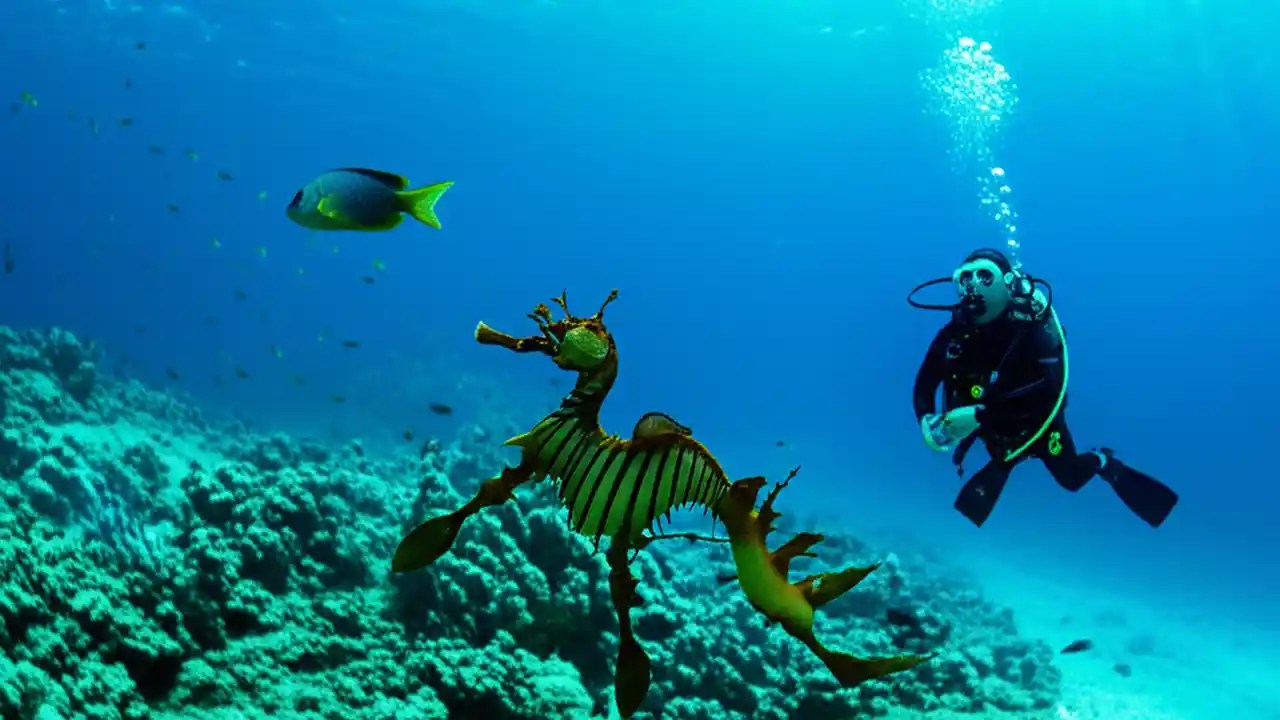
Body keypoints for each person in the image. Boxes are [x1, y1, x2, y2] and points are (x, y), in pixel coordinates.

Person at [906, 248, 1179, 528]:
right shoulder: (956, 333)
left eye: (985, 276)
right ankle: (1006, 458)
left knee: (1070, 479)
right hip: (991, 425)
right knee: (1001, 455)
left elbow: (1047, 394)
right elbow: (926, 379)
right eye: (964, 278)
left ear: (1008, 282)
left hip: (1038, 425)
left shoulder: (1034, 329)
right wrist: (925, 418)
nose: (972, 285)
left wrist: (979, 416)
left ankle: (1102, 461)